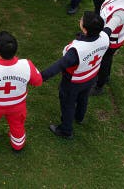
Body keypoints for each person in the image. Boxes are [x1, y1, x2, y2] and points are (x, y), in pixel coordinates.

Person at [40, 11, 109, 139]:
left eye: (82, 19)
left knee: (68, 104)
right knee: (83, 98)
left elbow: (59, 65)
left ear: (85, 29)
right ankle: (79, 117)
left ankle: (66, 130)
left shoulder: (77, 51)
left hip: (73, 82)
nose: (80, 19)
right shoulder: (105, 36)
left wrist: (41, 76)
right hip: (91, 76)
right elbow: (109, 29)